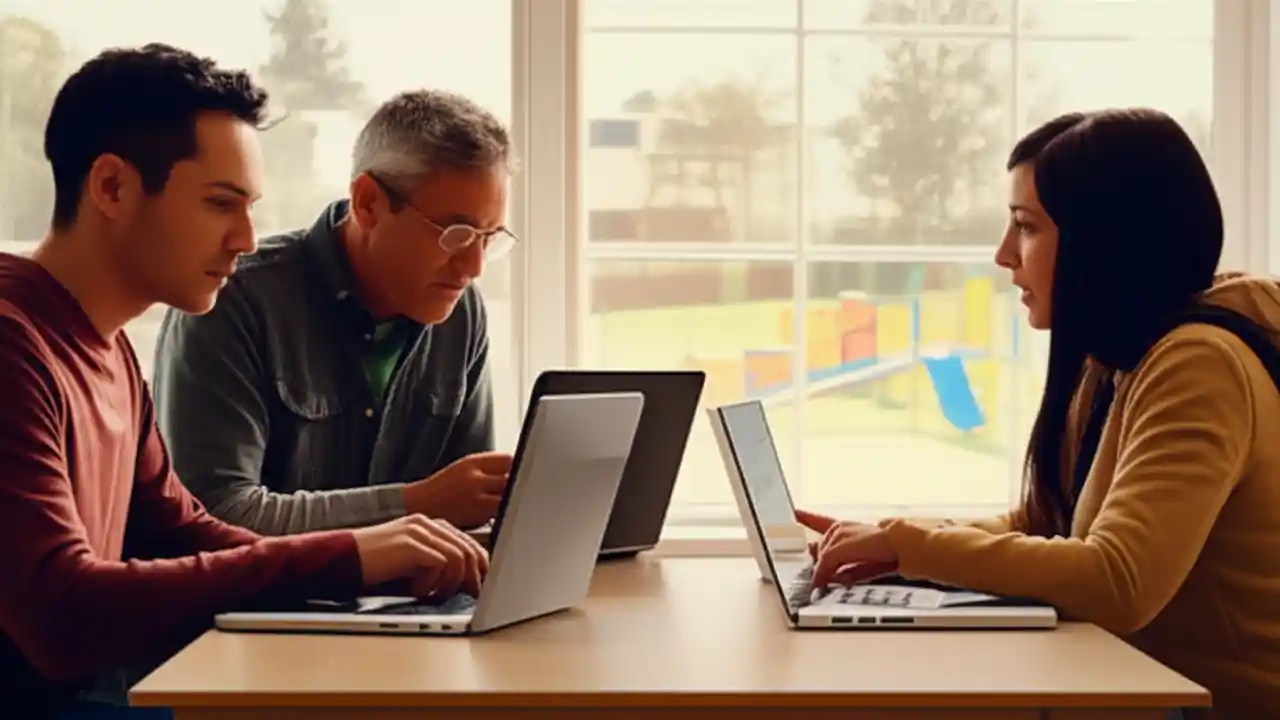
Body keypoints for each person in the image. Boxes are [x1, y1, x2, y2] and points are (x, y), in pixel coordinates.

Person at [0, 44, 486, 718]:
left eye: (250, 207)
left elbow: (188, 532)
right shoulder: (12, 344)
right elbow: (61, 615)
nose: (246, 239)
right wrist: (351, 555)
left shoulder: (106, 349)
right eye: (220, 205)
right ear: (111, 187)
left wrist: (380, 561)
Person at [797, 108, 1280, 719]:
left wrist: (910, 548)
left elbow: (1118, 581)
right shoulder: (1121, 354)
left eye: (1025, 227)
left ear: (1104, 239)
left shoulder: (1199, 364)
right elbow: (1047, 520)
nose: (1004, 255)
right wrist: (896, 543)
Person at [151, 89, 516, 537]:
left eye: (488, 238)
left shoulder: (461, 310)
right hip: (270, 588)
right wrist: (415, 504)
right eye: (456, 234)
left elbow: (468, 512)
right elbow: (216, 515)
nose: (474, 267)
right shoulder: (232, 299)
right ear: (368, 203)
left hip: (416, 587)